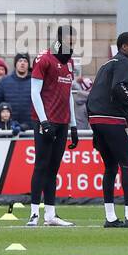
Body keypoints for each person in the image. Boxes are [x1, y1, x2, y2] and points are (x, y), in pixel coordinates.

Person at [87, 32, 128, 228]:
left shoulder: (107, 64)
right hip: (112, 119)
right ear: (124, 47)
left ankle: (111, 217)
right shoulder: (124, 62)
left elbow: (98, 92)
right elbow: (118, 87)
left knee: (110, 167)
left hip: (96, 119)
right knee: (127, 165)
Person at [28, 25, 79, 227]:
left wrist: (73, 126)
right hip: (46, 121)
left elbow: (69, 96)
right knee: (41, 165)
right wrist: (43, 120)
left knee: (53, 168)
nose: (73, 41)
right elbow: (34, 92)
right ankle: (33, 214)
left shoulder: (70, 62)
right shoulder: (44, 59)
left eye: (74, 38)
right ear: (59, 38)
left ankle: (50, 214)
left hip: (63, 122)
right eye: (69, 37)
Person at [0, 53, 34, 131]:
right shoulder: (4, 82)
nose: (22, 63)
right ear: (15, 64)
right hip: (9, 129)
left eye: (25, 61)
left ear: (28, 64)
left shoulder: (35, 81)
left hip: (31, 128)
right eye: (20, 61)